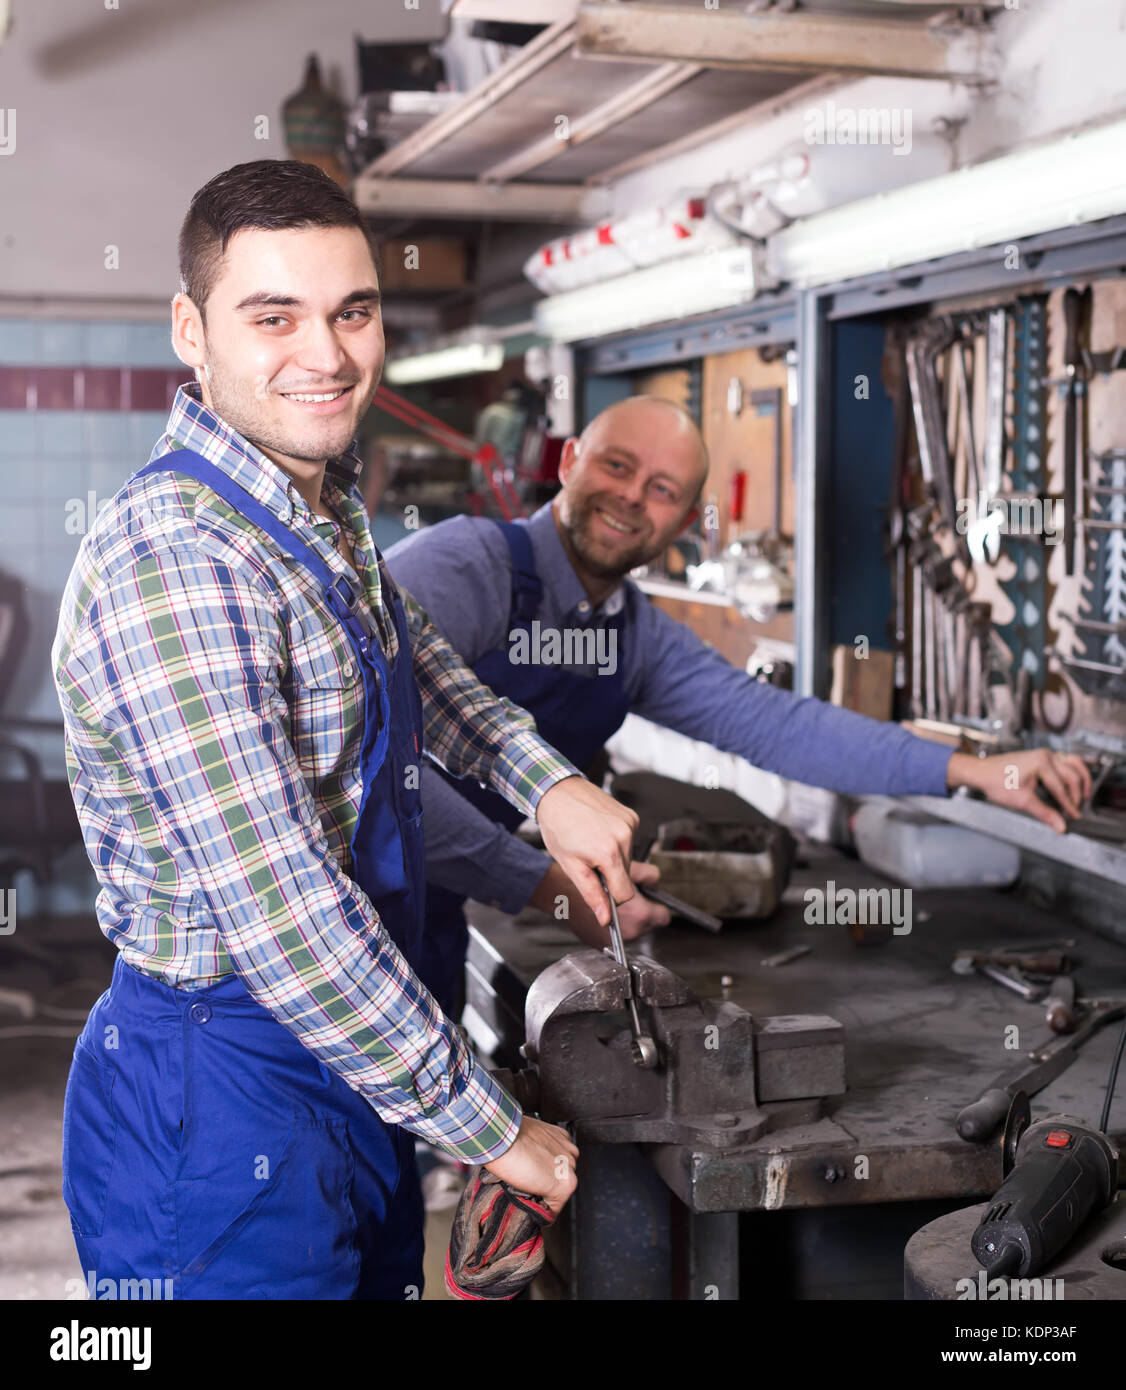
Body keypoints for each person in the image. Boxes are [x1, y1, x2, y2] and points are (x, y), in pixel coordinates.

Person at [51, 159, 643, 1300]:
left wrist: (544, 783)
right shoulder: (179, 559)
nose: (325, 355)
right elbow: (284, 918)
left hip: (347, 1051)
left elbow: (410, 654)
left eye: (352, 312)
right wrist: (487, 1123)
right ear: (192, 328)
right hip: (219, 1092)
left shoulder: (310, 504)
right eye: (273, 316)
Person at [385, 395, 1092, 1015]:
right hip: (344, 920)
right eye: (617, 466)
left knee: (387, 1164)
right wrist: (545, 885)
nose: (632, 496)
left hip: (432, 918)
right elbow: (377, 771)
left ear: (687, 518)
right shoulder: (469, 564)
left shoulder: (633, 638)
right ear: (570, 460)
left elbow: (781, 727)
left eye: (662, 489)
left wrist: (980, 770)